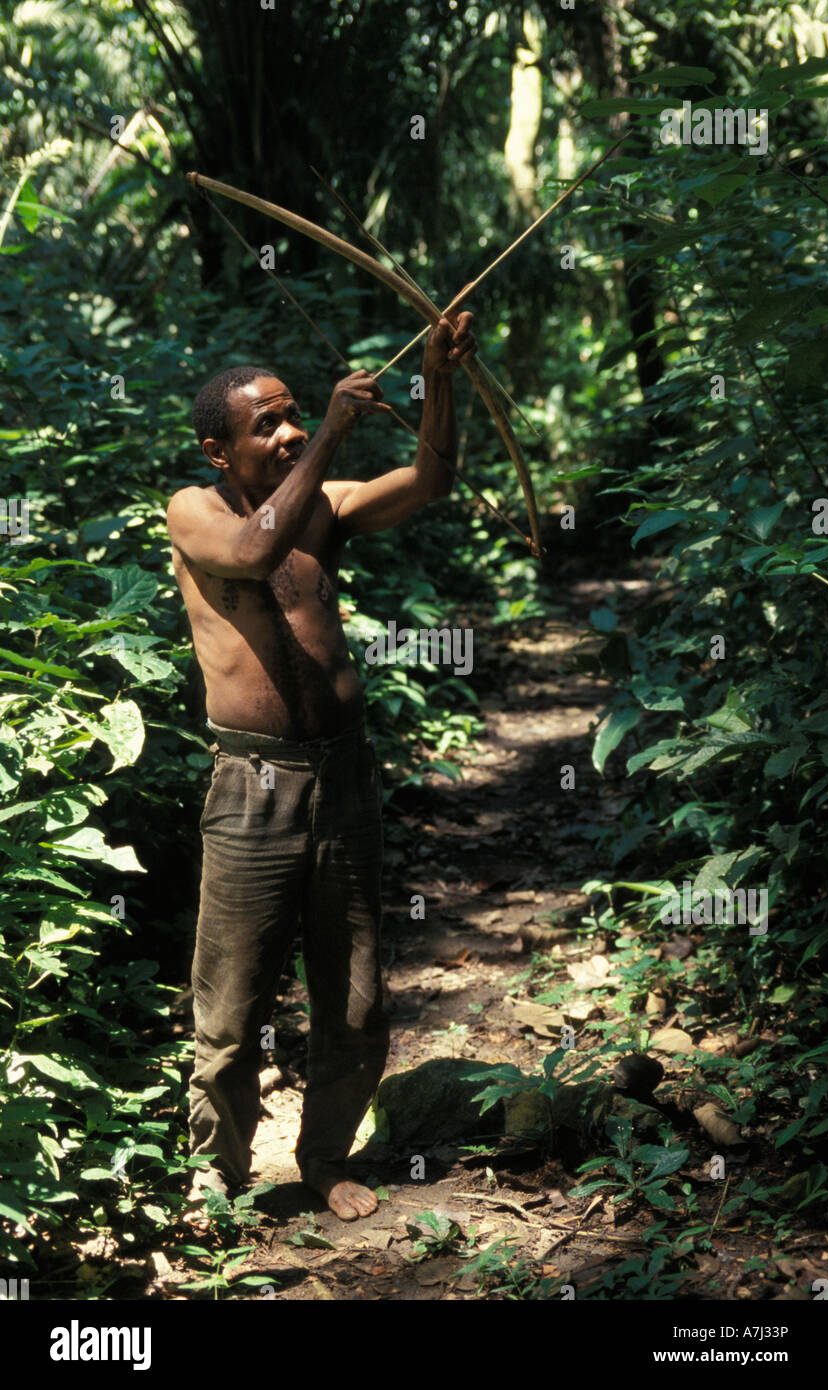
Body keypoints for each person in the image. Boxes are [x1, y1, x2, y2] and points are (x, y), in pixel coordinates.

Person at [166, 311, 477, 1219]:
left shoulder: (325, 505)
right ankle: (214, 1180)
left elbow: (433, 477)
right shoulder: (196, 511)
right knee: (229, 1005)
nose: (291, 429)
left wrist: (437, 377)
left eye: (296, 414)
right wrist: (335, 431)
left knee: (354, 993)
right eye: (266, 423)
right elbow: (258, 550)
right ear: (217, 450)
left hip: (341, 778)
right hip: (251, 787)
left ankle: (326, 1158)